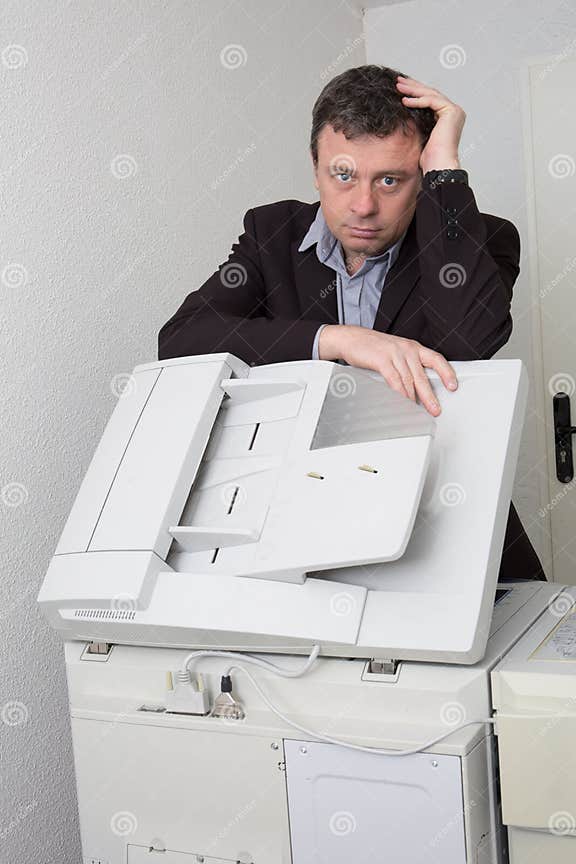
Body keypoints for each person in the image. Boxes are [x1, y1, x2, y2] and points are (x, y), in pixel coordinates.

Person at [158, 64, 546, 582]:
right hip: (304, 529)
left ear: (422, 176)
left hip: (451, 526)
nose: (364, 206)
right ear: (315, 166)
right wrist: (336, 340)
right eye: (343, 176)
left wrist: (446, 171)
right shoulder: (270, 234)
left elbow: (467, 342)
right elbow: (182, 340)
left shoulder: (478, 236)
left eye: (391, 179)